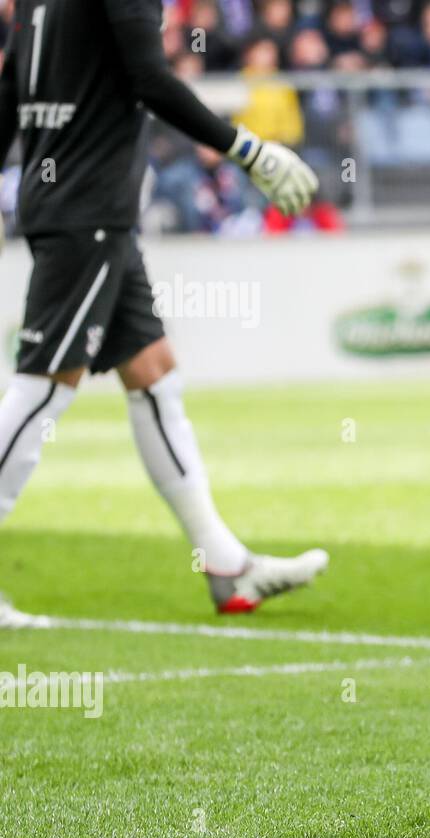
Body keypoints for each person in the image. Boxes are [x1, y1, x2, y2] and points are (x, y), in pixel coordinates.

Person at [0, 0, 328, 624]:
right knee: (43, 389)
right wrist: (249, 150)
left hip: (85, 211)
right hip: (88, 209)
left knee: (154, 374)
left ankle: (226, 563)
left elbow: (10, 93)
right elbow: (149, 78)